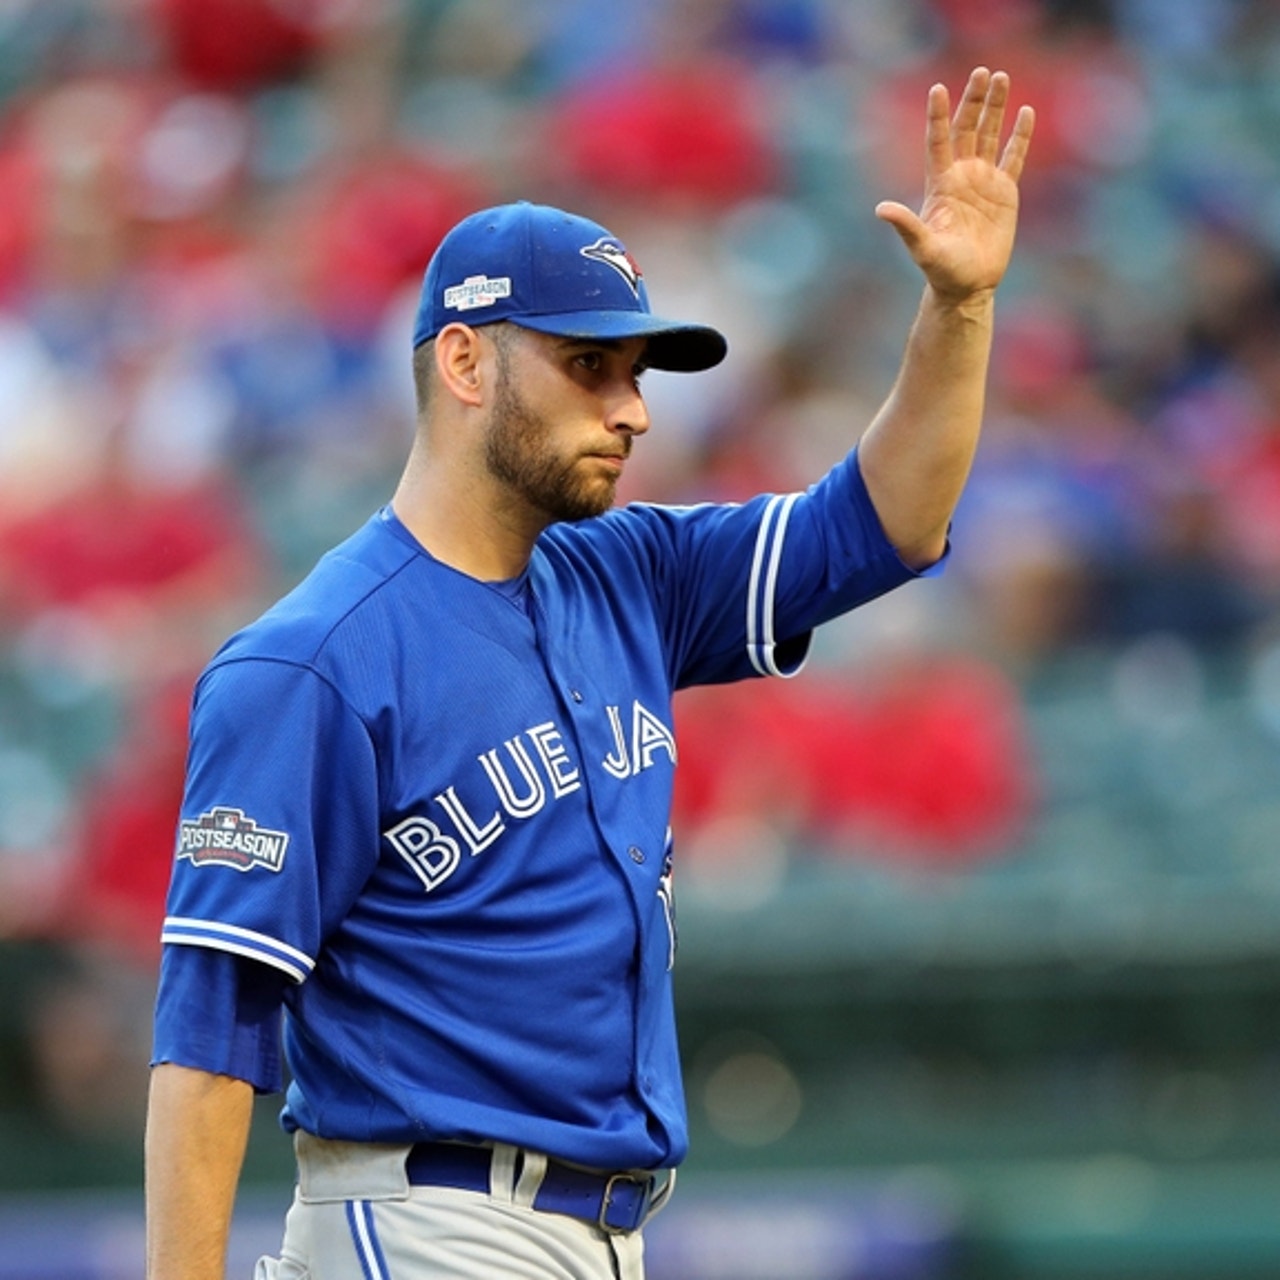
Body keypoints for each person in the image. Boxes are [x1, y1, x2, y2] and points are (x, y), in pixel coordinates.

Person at [145, 66, 1035, 1280]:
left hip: (601, 1232)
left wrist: (959, 308)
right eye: (587, 366)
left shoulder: (630, 575)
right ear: (464, 364)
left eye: (636, 372)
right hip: (424, 1216)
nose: (631, 408)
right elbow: (207, 1038)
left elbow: (881, 525)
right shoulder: (311, 661)